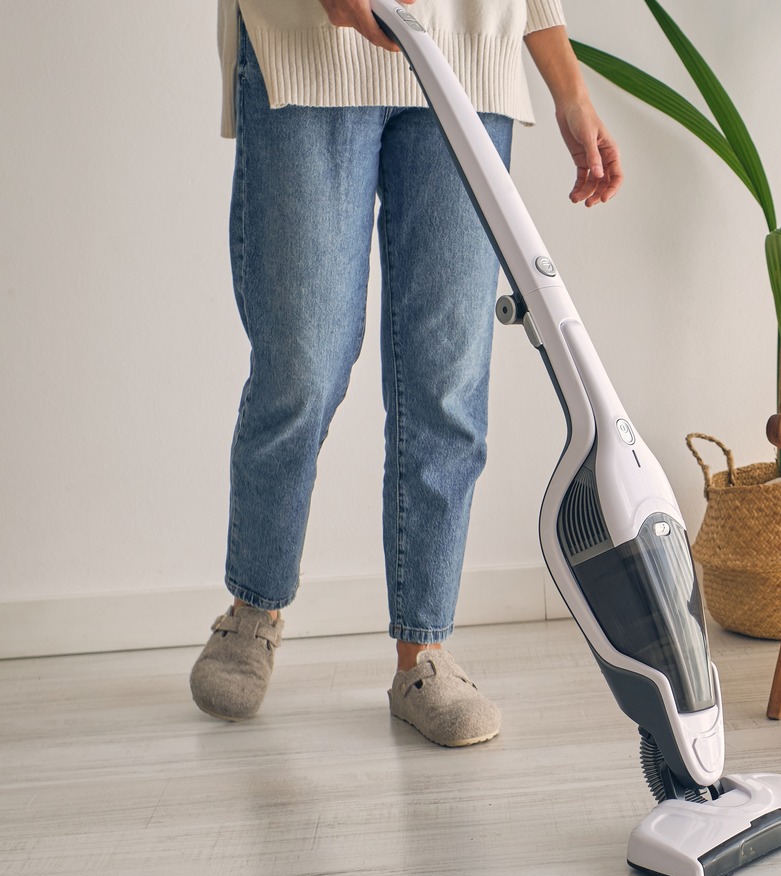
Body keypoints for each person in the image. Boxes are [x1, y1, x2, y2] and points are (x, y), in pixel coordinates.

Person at [190, 0, 620, 747]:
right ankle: (252, 607)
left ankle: (423, 652)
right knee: (304, 363)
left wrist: (568, 87)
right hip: (306, 46)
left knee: (447, 377)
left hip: (467, 57)